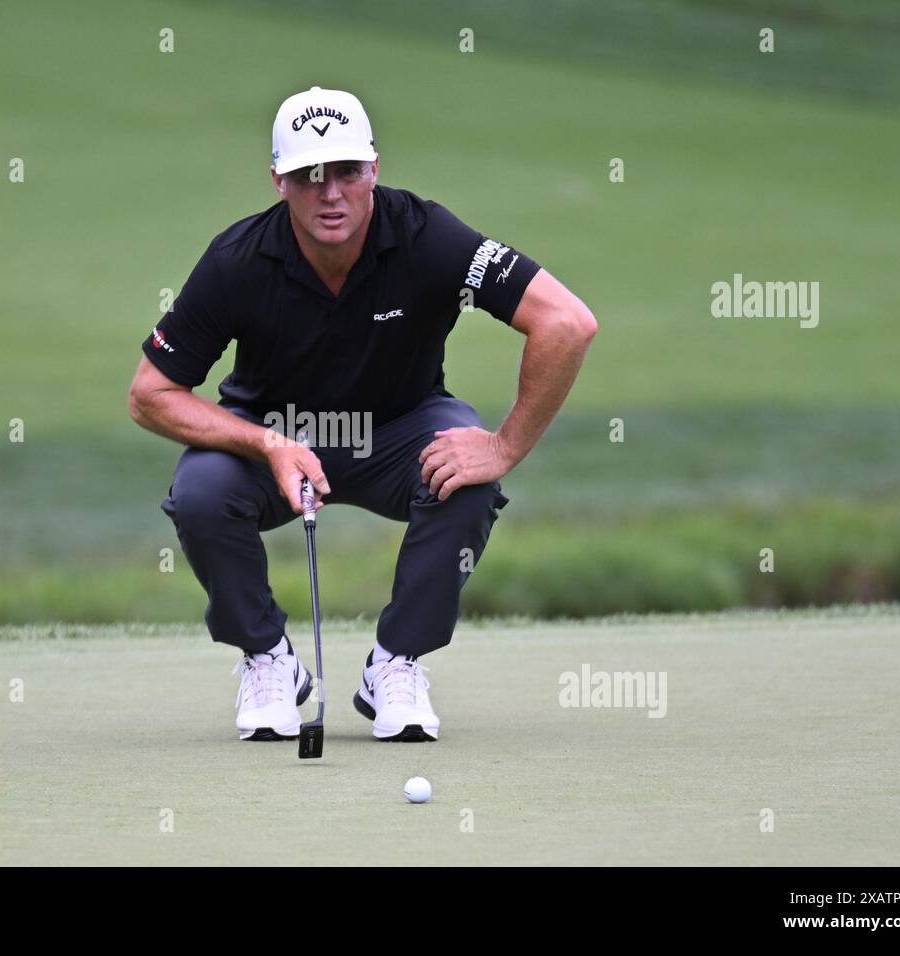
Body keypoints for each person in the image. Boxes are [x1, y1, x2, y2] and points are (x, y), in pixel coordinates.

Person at [128, 87, 596, 742]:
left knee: (467, 475)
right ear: (278, 182)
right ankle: (267, 660)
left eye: (347, 172)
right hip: (277, 435)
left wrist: (504, 446)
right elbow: (150, 393)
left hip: (399, 430)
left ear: (374, 168)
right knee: (201, 493)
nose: (330, 194)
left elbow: (567, 322)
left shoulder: (429, 237)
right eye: (307, 176)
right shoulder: (236, 261)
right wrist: (265, 443)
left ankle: (394, 664)